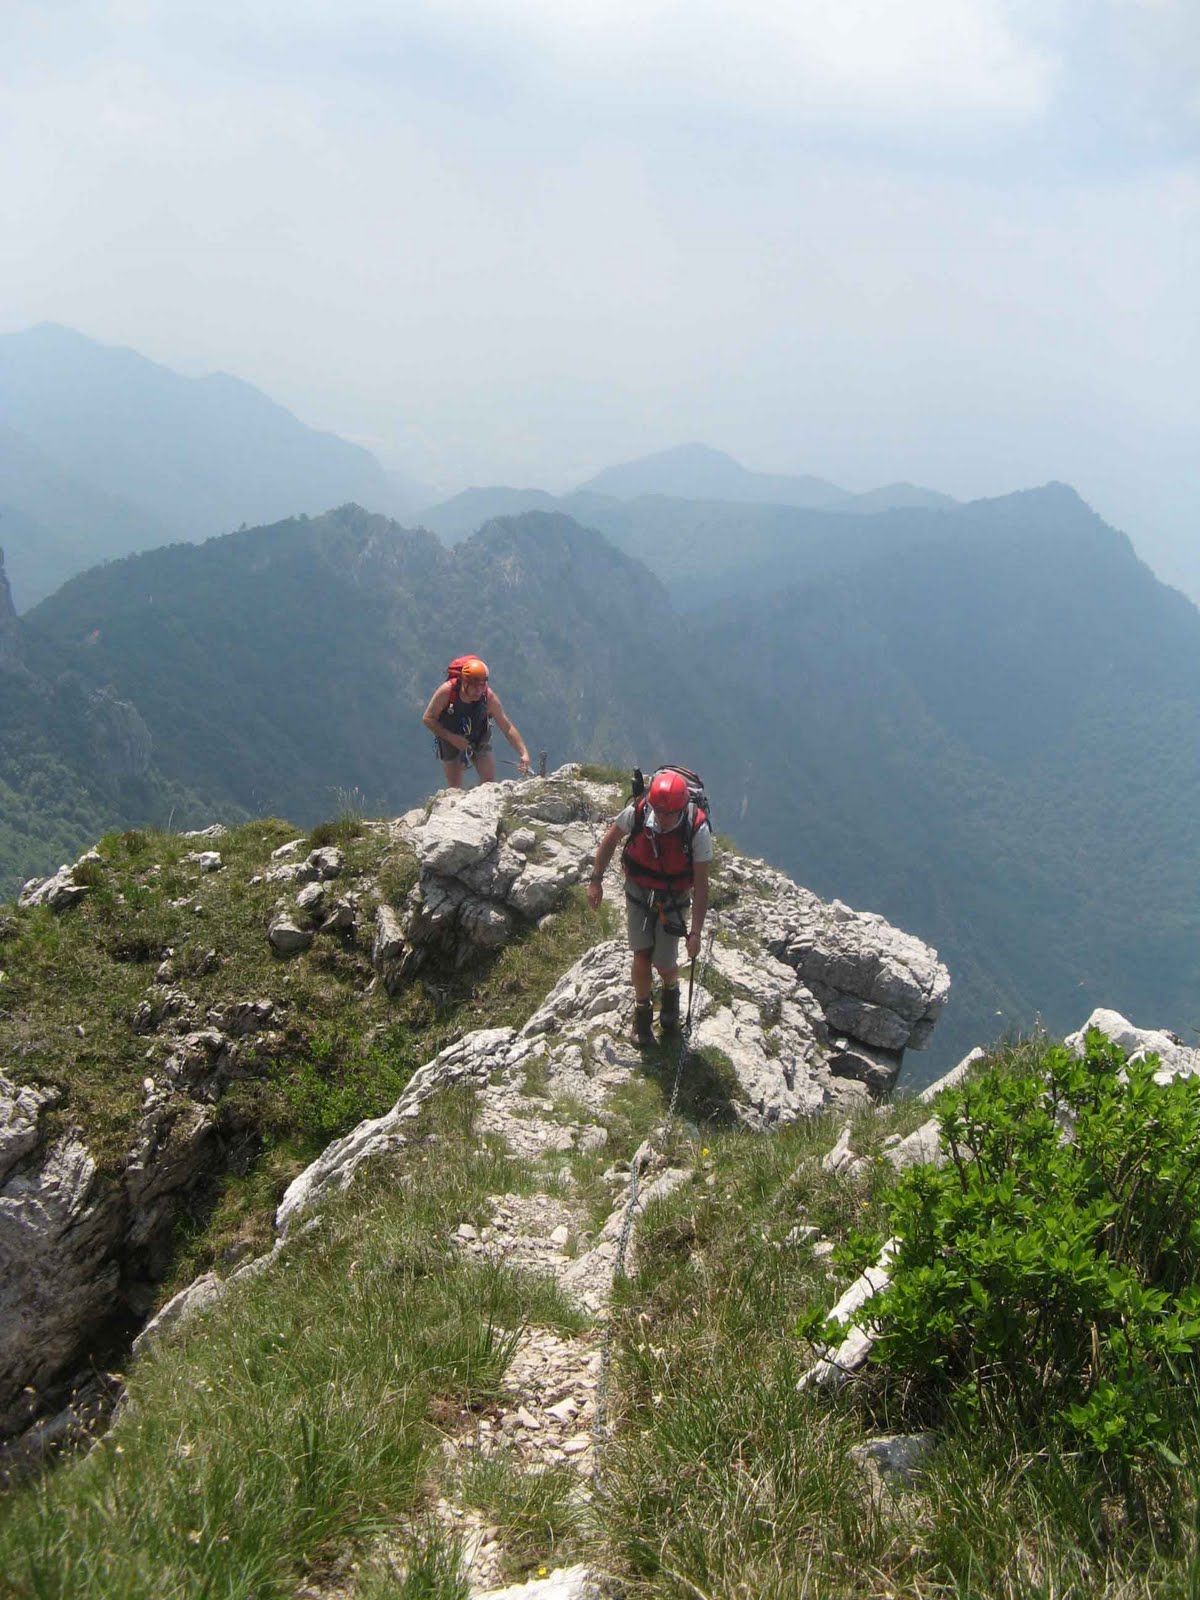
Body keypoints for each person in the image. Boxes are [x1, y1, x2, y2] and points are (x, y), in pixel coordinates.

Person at [586, 768, 712, 1046]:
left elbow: (702, 886)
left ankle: (670, 991)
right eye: (661, 812)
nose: (665, 818)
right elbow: (610, 839)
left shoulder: (697, 828)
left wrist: (696, 933)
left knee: (665, 964)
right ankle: (642, 1019)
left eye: (671, 813)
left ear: (682, 807)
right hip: (639, 893)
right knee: (641, 956)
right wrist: (596, 880)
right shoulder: (640, 812)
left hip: (674, 900)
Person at [422, 656, 530, 788]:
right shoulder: (447, 692)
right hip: (449, 739)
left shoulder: (488, 697)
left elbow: (506, 727)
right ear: (464, 682)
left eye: (482, 686)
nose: (478, 691)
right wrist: (451, 738)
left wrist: (523, 753)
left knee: (489, 781)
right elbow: (428, 718)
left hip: (478, 737)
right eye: (474, 687)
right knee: (455, 789)